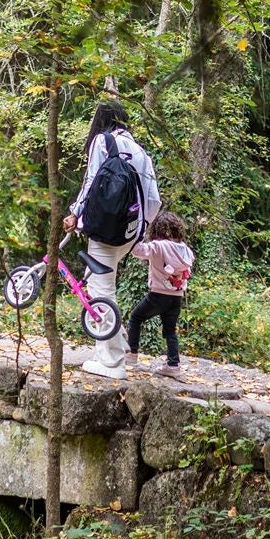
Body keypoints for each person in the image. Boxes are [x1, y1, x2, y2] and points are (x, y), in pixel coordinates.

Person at [63, 100, 159, 380]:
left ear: (101, 120)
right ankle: (118, 345)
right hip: (129, 233)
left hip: (105, 231)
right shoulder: (140, 151)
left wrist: (75, 213)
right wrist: (140, 230)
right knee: (100, 284)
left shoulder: (103, 141)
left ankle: (112, 362)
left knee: (101, 290)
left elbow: (91, 181)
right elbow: (154, 199)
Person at [124, 210, 195, 378]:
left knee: (136, 318)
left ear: (157, 229)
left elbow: (137, 250)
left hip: (158, 295)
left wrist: (137, 233)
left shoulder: (158, 246)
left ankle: (132, 356)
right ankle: (173, 365)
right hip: (176, 297)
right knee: (170, 330)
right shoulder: (186, 250)